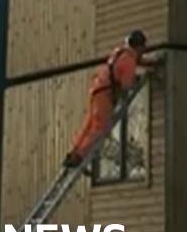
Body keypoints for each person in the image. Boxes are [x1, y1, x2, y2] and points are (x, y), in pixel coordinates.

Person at [63, 30, 161, 168]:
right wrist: (137, 78)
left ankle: (74, 151)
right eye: (143, 47)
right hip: (105, 94)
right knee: (100, 128)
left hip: (97, 90)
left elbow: (135, 62)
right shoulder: (129, 61)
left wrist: (150, 63)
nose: (144, 50)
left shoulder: (121, 54)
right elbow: (127, 86)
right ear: (139, 47)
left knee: (89, 125)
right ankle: (80, 156)